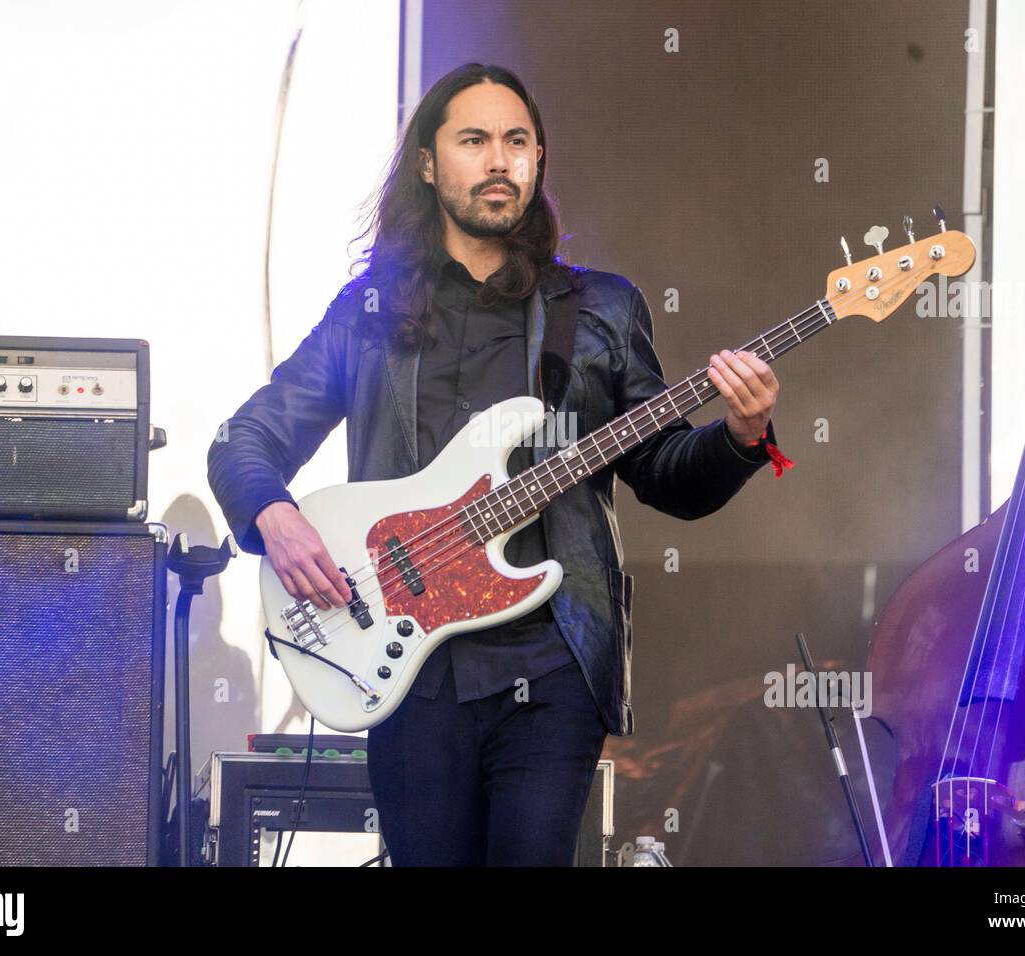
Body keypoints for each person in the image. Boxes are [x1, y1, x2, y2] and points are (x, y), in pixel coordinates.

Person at [207, 62, 782, 866]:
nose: (499, 159)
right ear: (429, 163)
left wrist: (742, 434)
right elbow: (245, 440)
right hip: (409, 666)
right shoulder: (370, 312)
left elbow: (664, 472)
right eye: (473, 140)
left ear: (539, 160)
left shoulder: (601, 309)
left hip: (553, 662)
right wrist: (275, 517)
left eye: (517, 141)